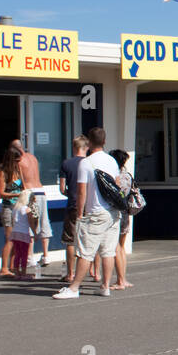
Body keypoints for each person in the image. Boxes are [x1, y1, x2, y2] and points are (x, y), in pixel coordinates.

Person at [53, 127, 122, 299]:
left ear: (89, 143)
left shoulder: (86, 163)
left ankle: (74, 287)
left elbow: (81, 191)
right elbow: (118, 185)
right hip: (112, 212)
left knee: (85, 251)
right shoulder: (112, 161)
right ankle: (105, 286)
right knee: (108, 251)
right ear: (104, 142)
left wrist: (79, 214)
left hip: (95, 212)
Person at [11, 137, 53, 269]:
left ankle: (30, 258)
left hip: (30, 192)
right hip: (41, 190)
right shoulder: (33, 157)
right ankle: (46, 255)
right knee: (44, 223)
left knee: (29, 224)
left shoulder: (18, 161)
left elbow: (19, 179)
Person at [58, 135, 88, 283]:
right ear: (86, 148)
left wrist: (70, 193)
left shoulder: (66, 164)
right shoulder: (90, 163)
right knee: (90, 239)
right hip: (89, 205)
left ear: (74, 147)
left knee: (70, 240)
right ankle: (95, 272)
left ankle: (70, 274)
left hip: (72, 205)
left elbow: (62, 188)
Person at [0, 144, 25, 277]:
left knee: (18, 238)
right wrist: (16, 195)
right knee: (10, 239)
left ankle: (13, 267)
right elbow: (1, 193)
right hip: (8, 208)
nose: (19, 162)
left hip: (18, 208)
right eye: (16, 160)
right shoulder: (3, 172)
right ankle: (4, 268)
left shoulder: (19, 170)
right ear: (11, 159)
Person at [110, 149, 135, 289]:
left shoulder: (115, 177)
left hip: (116, 214)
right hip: (126, 213)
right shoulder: (128, 176)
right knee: (122, 246)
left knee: (116, 248)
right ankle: (123, 278)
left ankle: (120, 280)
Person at [8, 190, 39, 279]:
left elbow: (13, 221)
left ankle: (17, 272)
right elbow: (31, 223)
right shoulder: (27, 209)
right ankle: (23, 272)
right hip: (24, 233)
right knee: (24, 254)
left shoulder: (15, 208)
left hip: (15, 233)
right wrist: (35, 233)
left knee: (17, 253)